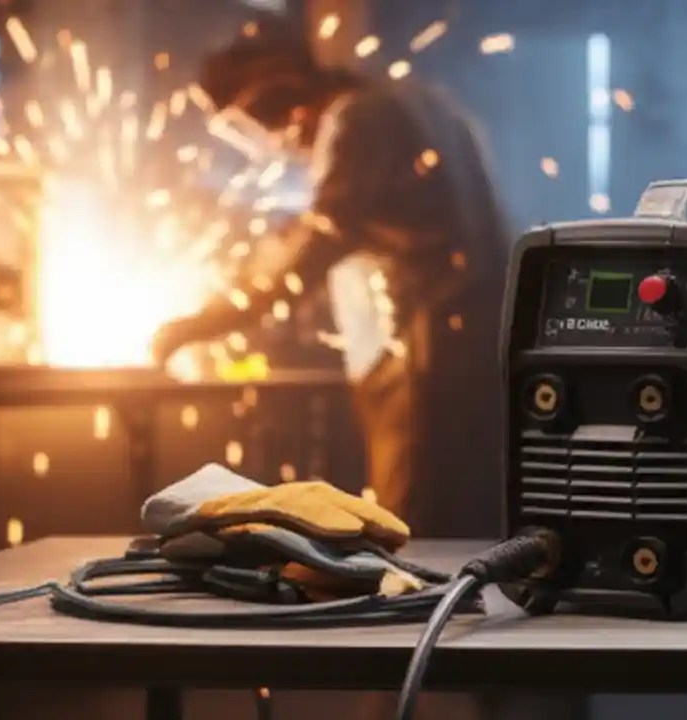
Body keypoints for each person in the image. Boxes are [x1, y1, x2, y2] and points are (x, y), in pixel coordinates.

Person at [152, 10, 510, 540]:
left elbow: (315, 248)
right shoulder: (420, 104)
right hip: (477, 345)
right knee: (466, 512)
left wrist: (197, 324)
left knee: (410, 518)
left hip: (419, 354)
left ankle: (407, 619)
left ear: (278, 102)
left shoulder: (356, 119)